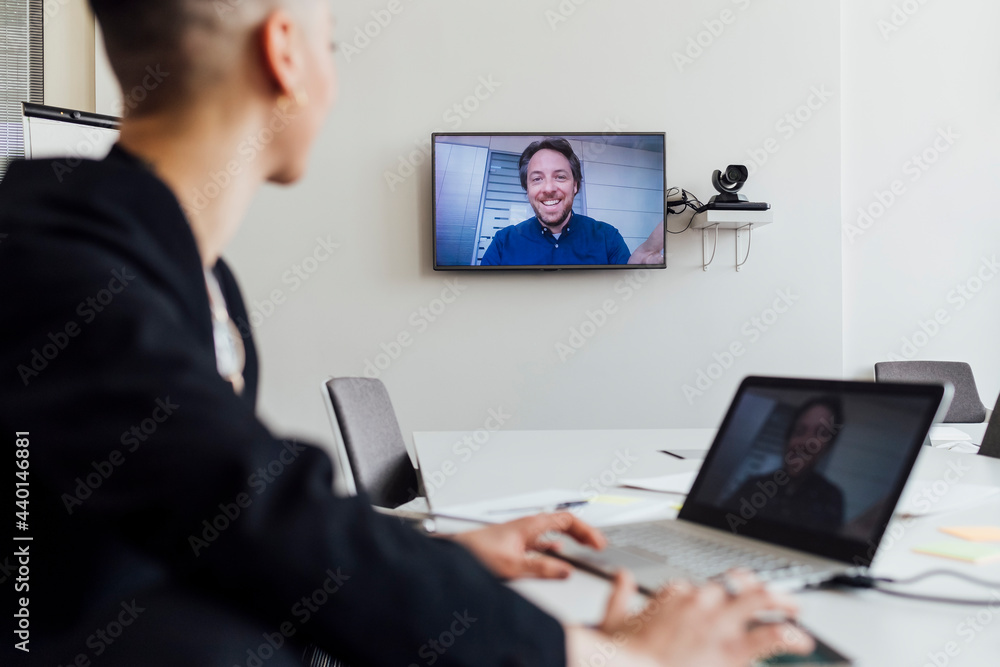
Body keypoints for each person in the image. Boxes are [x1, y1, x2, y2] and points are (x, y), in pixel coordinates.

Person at [0, 1, 812, 665]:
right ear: (284, 50)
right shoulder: (51, 268)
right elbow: (248, 504)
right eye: (334, 43)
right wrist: (615, 658)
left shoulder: (192, 275)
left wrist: (443, 558)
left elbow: (224, 531)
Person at [480, 137, 634, 266]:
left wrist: (635, 279)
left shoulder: (608, 239)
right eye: (537, 179)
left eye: (560, 177)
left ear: (575, 185)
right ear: (527, 189)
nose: (548, 188)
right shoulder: (502, 243)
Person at [724, 398, 846, 532]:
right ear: (788, 439)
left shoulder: (831, 498)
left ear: (827, 447)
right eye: (799, 431)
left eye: (820, 434)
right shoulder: (753, 486)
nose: (806, 442)